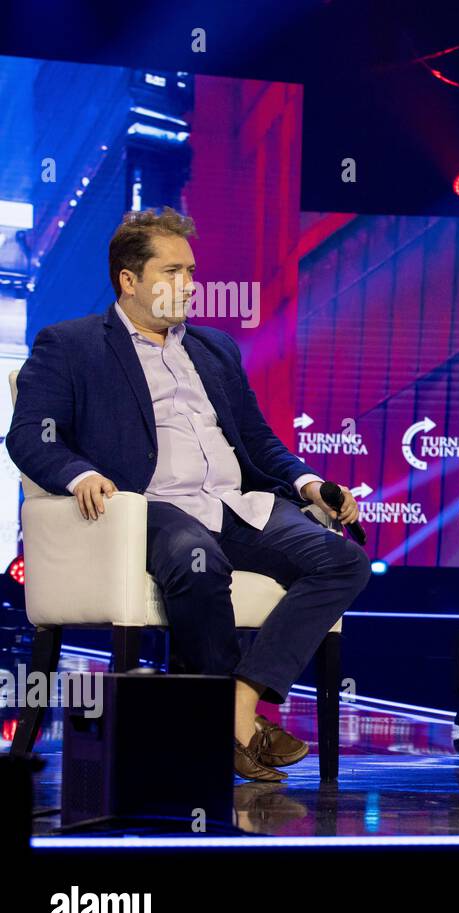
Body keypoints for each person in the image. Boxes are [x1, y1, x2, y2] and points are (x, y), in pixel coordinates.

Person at [6, 207, 372, 782]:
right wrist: (80, 475)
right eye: (173, 271)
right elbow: (29, 435)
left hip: (236, 505)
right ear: (129, 280)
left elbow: (255, 439)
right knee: (199, 564)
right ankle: (230, 723)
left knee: (343, 561)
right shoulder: (72, 345)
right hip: (147, 508)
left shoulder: (214, 349)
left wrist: (307, 483)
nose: (190, 285)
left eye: (192, 272)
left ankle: (237, 703)